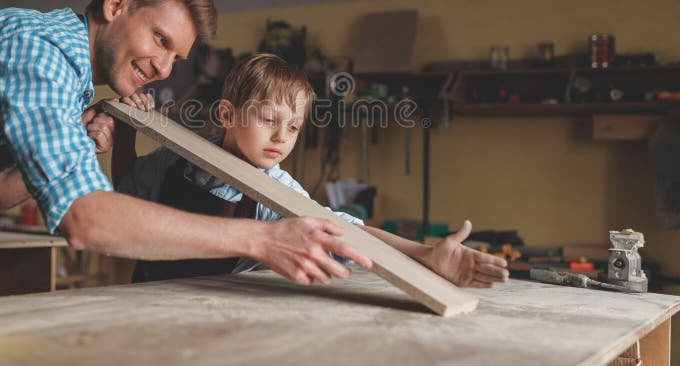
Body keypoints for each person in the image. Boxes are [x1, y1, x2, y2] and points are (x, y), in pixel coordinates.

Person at [0, 0, 370, 307]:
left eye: (175, 58)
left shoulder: (70, 85)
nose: (162, 68)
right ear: (116, 4)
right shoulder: (39, 52)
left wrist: (79, 139)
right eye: (160, 40)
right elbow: (84, 220)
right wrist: (262, 240)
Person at [113, 54, 509, 288]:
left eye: (293, 127)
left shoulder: (275, 192)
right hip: (141, 297)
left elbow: (347, 231)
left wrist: (425, 254)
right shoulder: (178, 157)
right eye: (269, 119)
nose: (281, 137)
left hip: (211, 316)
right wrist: (127, 134)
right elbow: (124, 194)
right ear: (226, 114)